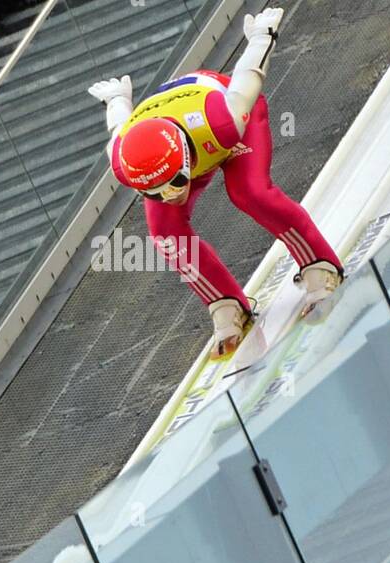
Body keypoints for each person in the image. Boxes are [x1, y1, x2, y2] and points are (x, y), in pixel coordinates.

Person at [86, 6, 342, 361]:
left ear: (183, 165)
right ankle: (224, 302)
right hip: (175, 144)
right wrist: (117, 100)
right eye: (155, 191)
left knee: (250, 192)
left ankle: (319, 264)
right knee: (164, 231)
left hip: (221, 121)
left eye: (175, 183)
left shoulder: (222, 120)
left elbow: (249, 76)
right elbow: (119, 125)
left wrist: (262, 38)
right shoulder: (124, 161)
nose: (171, 195)